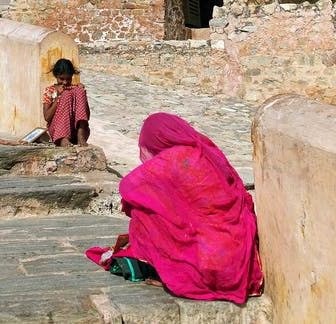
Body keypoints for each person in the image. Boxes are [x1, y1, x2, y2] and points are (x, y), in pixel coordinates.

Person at [110, 113, 263, 303]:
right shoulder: (205, 150)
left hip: (205, 264)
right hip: (237, 254)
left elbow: (128, 186)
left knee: (143, 212)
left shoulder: (172, 158)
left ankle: (167, 271)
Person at [42, 58, 90, 147]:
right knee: (66, 94)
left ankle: (81, 134)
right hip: (57, 131)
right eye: (61, 79)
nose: (65, 82)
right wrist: (58, 97)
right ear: (56, 76)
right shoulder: (50, 91)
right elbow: (47, 117)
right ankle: (63, 138)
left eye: (68, 79)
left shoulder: (76, 89)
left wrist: (83, 94)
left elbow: (87, 116)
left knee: (79, 91)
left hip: (75, 131)